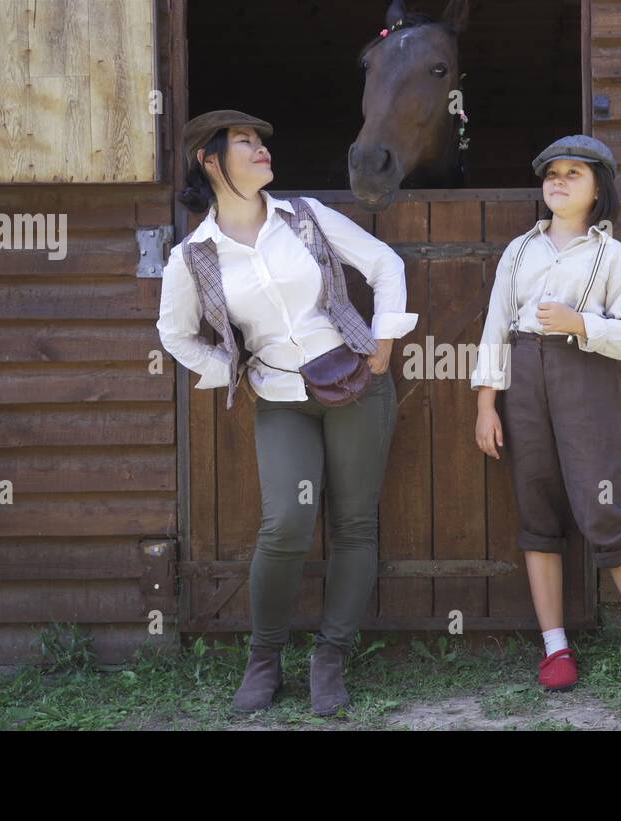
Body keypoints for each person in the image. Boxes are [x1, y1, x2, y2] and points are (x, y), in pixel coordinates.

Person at [156, 110, 418, 716]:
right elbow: (174, 333)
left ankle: (330, 660)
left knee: (355, 525)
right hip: (281, 400)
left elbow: (385, 264)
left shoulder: (306, 218)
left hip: (356, 385)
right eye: (245, 143)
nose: (261, 150)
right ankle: (264, 660)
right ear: (209, 159)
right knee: (286, 527)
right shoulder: (193, 256)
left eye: (261, 141)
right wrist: (230, 369)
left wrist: (382, 343)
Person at [470, 135, 621, 692]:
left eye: (574, 173)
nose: (558, 181)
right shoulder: (518, 251)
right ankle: (555, 650)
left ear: (599, 188)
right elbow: (493, 329)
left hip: (585, 380)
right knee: (537, 508)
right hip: (523, 382)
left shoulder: (611, 256)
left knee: (603, 509)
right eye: (552, 173)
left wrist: (581, 324)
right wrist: (487, 403)